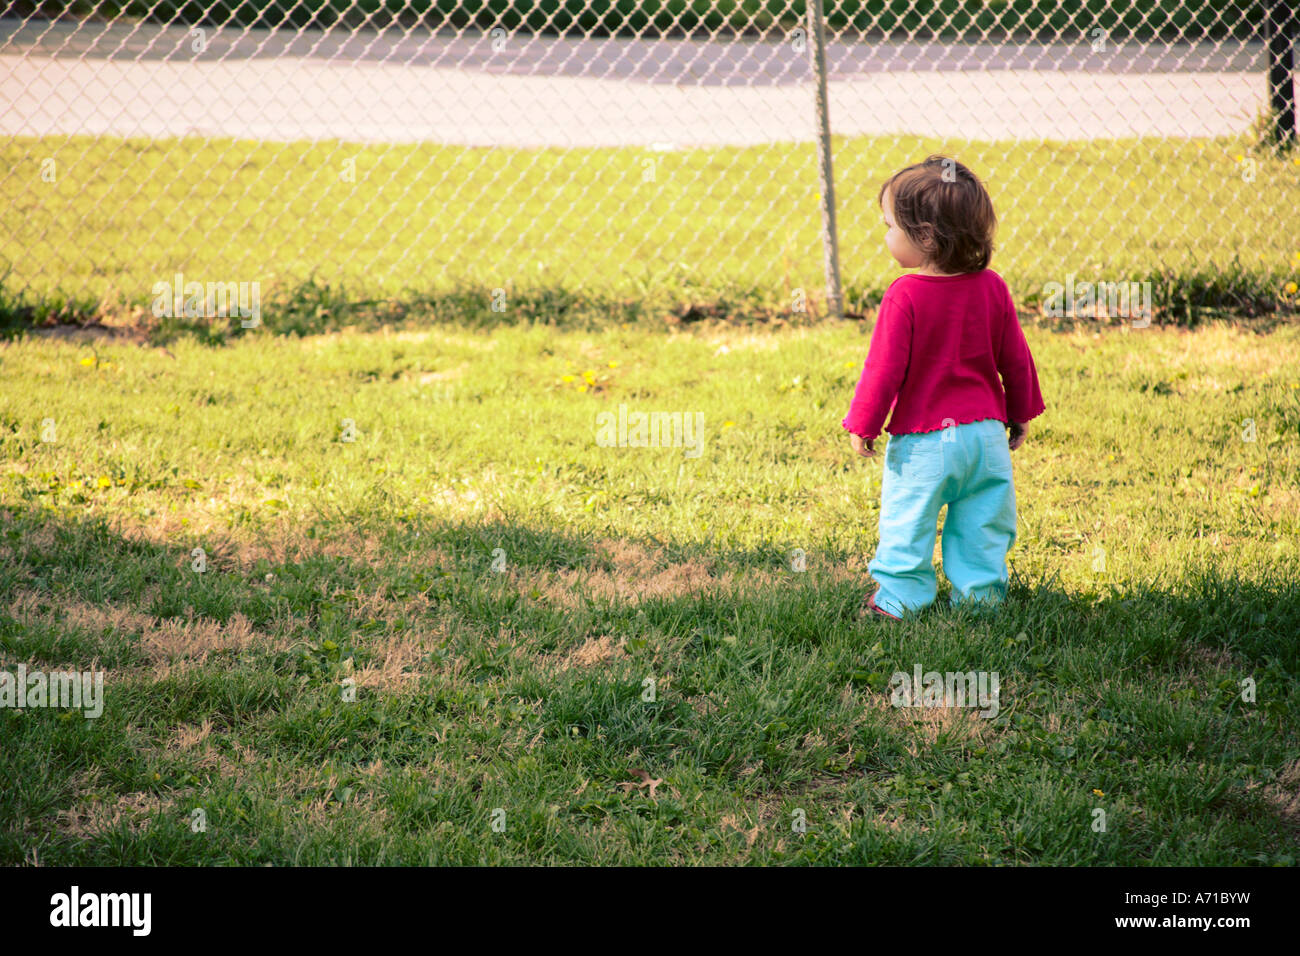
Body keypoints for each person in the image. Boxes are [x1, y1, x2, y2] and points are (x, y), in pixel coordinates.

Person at [843, 156, 1045, 620]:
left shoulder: (904, 294)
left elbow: (883, 369)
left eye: (890, 226)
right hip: (986, 439)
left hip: (925, 442)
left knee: (907, 522)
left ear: (927, 236)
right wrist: (1020, 413)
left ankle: (898, 599)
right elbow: (1015, 359)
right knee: (983, 523)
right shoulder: (993, 287)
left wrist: (864, 422)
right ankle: (981, 599)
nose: (885, 235)